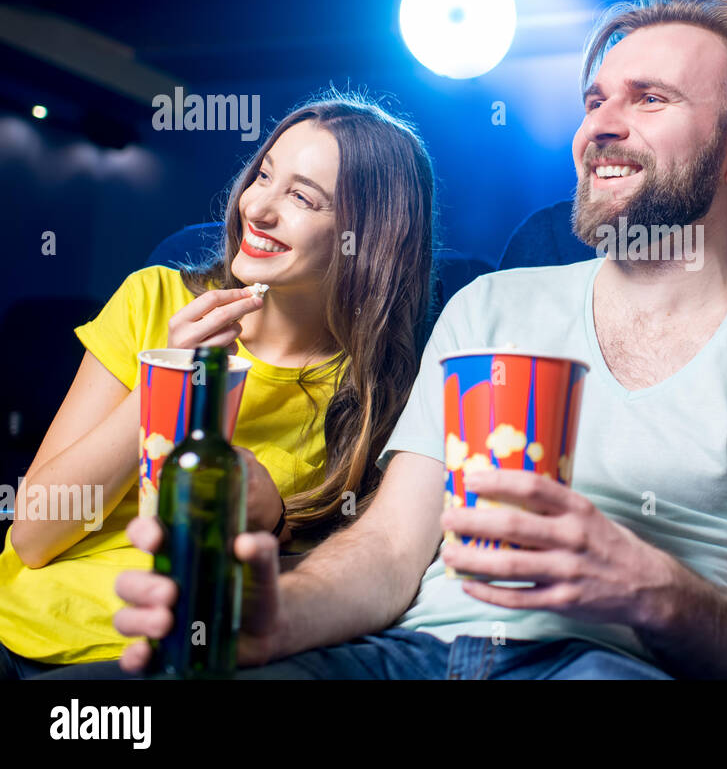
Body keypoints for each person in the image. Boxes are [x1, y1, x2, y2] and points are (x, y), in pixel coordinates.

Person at [45, 0, 727, 681]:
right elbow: (386, 550)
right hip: (406, 655)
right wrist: (271, 615)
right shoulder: (491, 304)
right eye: (594, 100)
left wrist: (649, 588)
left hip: (605, 663)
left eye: (650, 99)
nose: (602, 126)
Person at [1, 91, 437, 678]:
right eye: (263, 175)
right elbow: (32, 536)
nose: (258, 208)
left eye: (303, 197)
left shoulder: (380, 391)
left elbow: (352, 578)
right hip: (18, 625)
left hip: (158, 657)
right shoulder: (152, 299)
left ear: (371, 238)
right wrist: (171, 380)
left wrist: (277, 521)